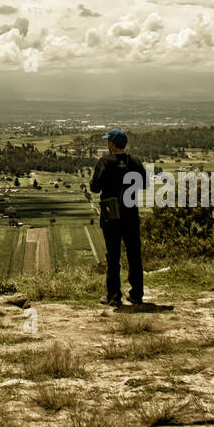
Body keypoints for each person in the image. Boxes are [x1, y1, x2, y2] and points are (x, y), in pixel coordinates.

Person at [90, 128, 148, 308]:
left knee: (113, 256)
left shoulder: (105, 162)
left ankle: (114, 296)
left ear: (111, 144)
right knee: (134, 254)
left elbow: (95, 188)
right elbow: (144, 184)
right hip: (131, 213)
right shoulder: (135, 162)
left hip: (111, 214)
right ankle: (137, 294)